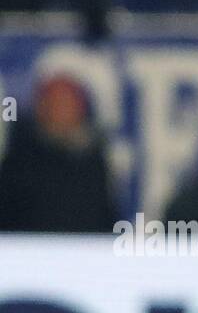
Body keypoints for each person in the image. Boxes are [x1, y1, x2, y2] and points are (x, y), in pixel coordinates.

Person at [0, 74, 114, 232]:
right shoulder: (19, 160)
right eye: (55, 103)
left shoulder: (94, 159)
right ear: (41, 107)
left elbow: (104, 216)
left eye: (67, 103)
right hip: (29, 251)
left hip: (85, 251)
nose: (61, 109)